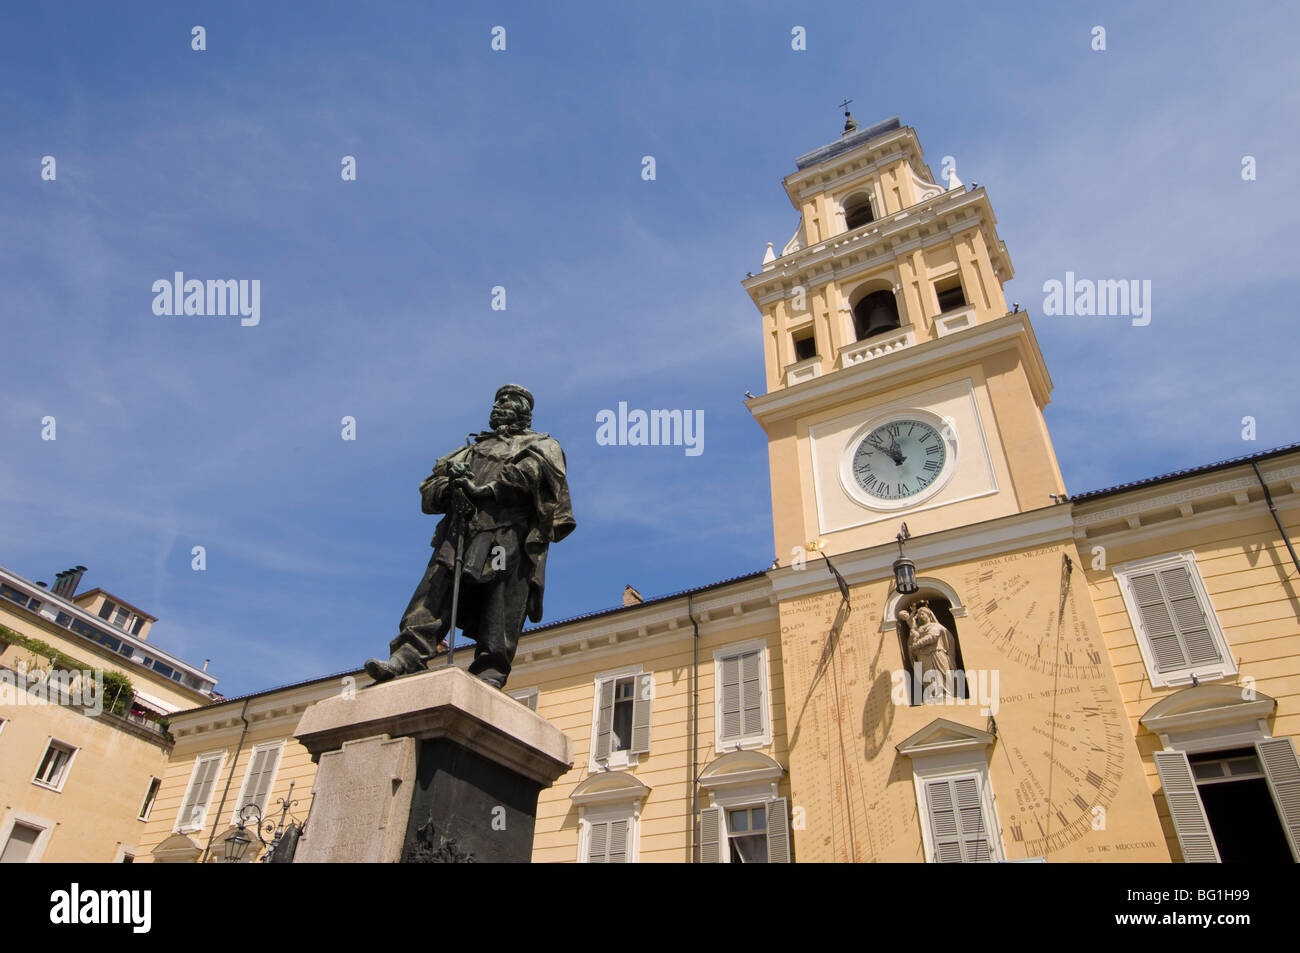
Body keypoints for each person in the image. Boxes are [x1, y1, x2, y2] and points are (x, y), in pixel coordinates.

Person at [365, 385, 575, 688]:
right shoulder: (468, 449)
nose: (499, 405)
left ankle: (490, 672)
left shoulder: (541, 445)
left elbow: (533, 476)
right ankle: (407, 656)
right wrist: (452, 487)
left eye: (507, 401)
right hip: (460, 531)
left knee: (500, 601)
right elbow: (428, 490)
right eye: (497, 400)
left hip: (507, 534)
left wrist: (485, 490)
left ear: (524, 412)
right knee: (434, 592)